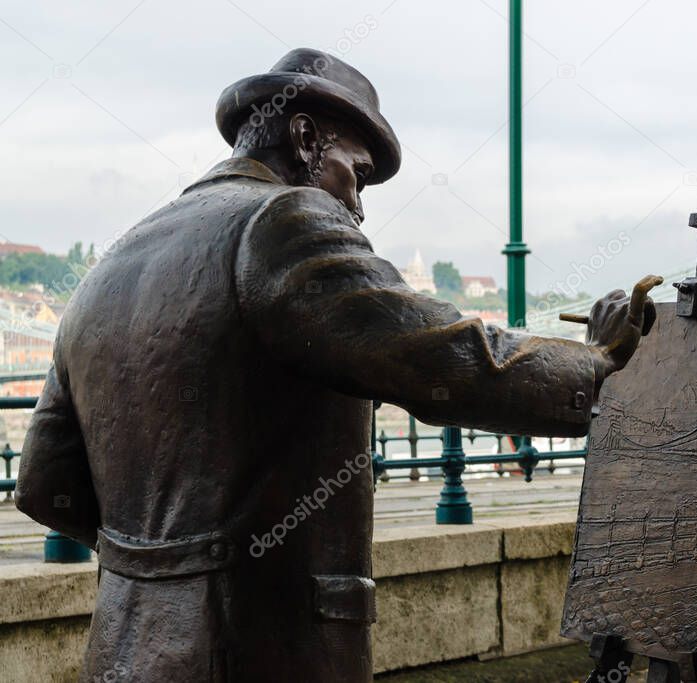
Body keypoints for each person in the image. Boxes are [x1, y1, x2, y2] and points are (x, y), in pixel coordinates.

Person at [15, 48, 660, 682]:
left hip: (121, 649)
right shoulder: (280, 223)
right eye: (357, 171)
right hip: (258, 649)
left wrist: (157, 572)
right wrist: (597, 364)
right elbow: (439, 354)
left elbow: (45, 484)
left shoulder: (106, 270)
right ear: (304, 139)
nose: (358, 207)